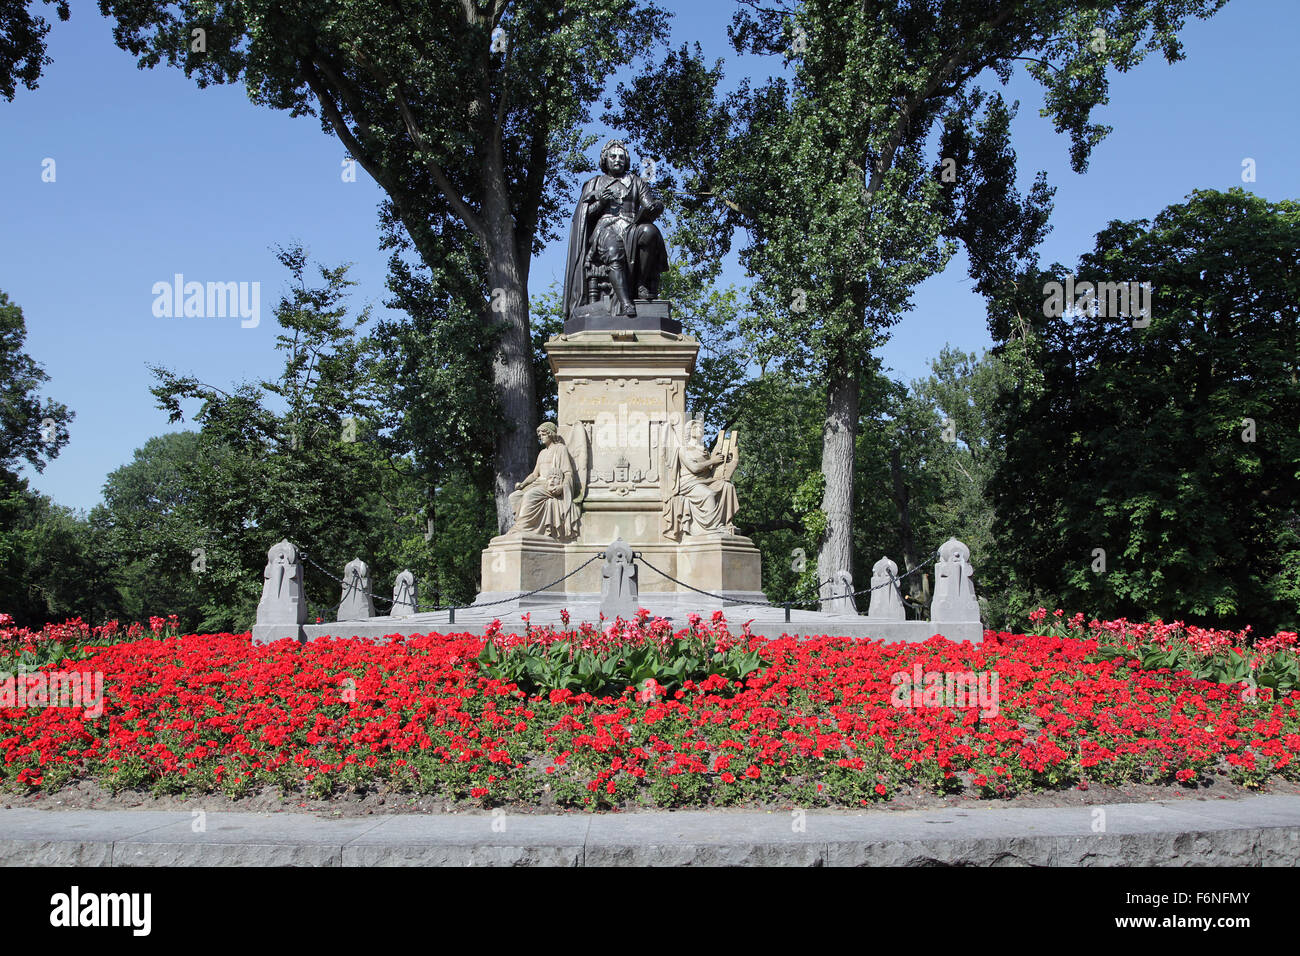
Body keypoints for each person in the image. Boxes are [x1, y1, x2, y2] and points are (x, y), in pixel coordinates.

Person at [563, 139, 669, 319]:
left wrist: (655, 206)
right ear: (605, 159)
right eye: (613, 156)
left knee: (650, 232)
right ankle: (625, 302)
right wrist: (601, 202)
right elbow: (584, 216)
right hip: (605, 228)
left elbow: (649, 204)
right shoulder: (594, 183)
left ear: (626, 160)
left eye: (621, 156)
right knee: (614, 249)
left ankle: (641, 285)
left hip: (631, 227)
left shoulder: (636, 182)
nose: (617, 159)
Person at [661, 420, 739, 538]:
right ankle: (713, 527)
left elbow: (711, 469)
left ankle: (727, 523)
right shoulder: (684, 449)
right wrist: (713, 460)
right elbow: (694, 468)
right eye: (696, 428)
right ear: (689, 431)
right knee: (708, 494)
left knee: (728, 486)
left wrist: (723, 460)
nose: (700, 429)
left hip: (706, 480)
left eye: (701, 428)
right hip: (689, 483)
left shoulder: (704, 449)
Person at [509, 422, 581, 539]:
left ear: (550, 434)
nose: (541, 437)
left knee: (530, 495)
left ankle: (522, 528)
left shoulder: (560, 449)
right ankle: (524, 526)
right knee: (514, 496)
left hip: (549, 485)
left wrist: (562, 487)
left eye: (543, 434)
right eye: (540, 435)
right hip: (537, 483)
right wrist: (523, 484)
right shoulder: (542, 453)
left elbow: (568, 472)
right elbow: (534, 474)